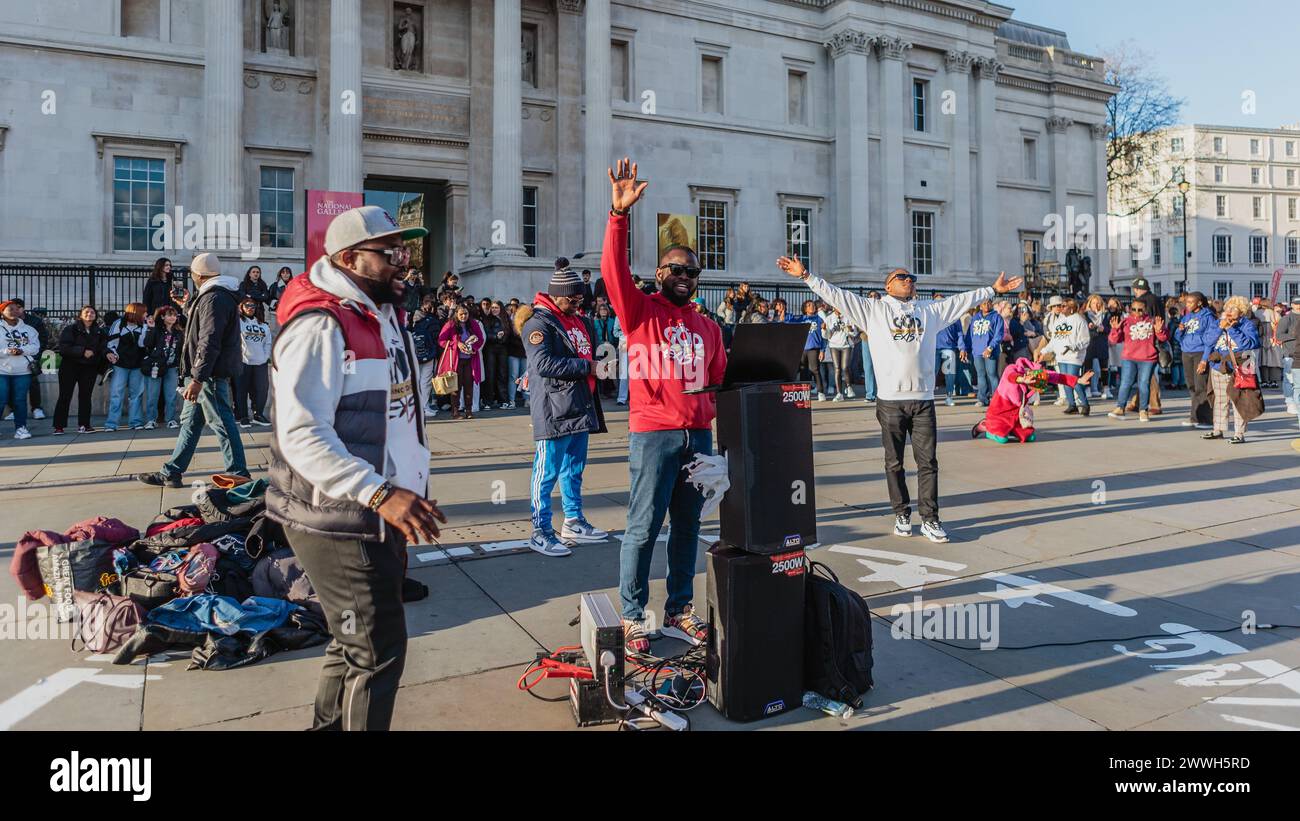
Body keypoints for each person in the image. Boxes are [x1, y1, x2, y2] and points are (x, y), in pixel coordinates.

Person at [266, 204, 446, 731]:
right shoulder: (322, 323)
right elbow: (300, 433)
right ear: (349, 258)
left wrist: (406, 488)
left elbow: (396, 416)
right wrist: (379, 493)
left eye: (405, 250)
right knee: (378, 650)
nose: (404, 261)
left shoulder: (381, 312)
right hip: (340, 516)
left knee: (353, 644)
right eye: (390, 252)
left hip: (374, 511)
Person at [777, 257, 1023, 544]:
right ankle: (902, 514)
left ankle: (930, 519)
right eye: (903, 277)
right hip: (891, 401)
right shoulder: (873, 309)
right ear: (888, 285)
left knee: (927, 462)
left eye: (912, 278)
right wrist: (806, 275)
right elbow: (836, 294)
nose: (910, 280)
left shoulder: (929, 310)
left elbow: (960, 301)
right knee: (894, 463)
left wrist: (992, 290)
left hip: (922, 400)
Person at [604, 157, 727, 652]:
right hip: (654, 432)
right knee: (643, 526)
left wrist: (717, 414)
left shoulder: (709, 327)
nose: (686, 277)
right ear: (660, 273)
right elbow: (613, 272)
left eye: (693, 272)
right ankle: (633, 615)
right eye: (677, 269)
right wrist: (619, 217)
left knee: (688, 528)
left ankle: (679, 609)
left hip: (698, 436)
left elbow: (720, 381)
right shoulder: (639, 312)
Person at [515, 268, 609, 556]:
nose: (578, 303)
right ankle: (540, 530)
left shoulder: (578, 321)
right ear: (558, 297)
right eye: (573, 299)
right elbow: (544, 364)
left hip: (580, 404)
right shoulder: (538, 323)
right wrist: (588, 367)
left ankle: (573, 520)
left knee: (574, 469)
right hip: (554, 409)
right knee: (547, 472)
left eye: (581, 298)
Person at [136, 253, 249, 487]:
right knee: (190, 422)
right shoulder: (214, 296)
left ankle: (239, 473)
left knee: (222, 422)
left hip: (208, 374)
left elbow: (209, 340)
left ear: (198, 274)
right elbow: (204, 330)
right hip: (205, 373)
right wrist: (187, 305)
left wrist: (197, 378)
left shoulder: (214, 298)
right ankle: (172, 472)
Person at [1202, 295, 1261, 443]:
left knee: (1239, 400)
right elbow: (1207, 341)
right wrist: (1220, 328)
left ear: (1241, 311)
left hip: (1240, 367)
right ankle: (1218, 429)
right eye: (1228, 307)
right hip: (1218, 367)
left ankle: (1239, 433)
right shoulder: (1218, 323)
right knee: (1220, 400)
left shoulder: (1247, 325)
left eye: (1233, 308)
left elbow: (1249, 344)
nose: (1229, 311)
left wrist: (1231, 329)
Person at [1107, 299, 1169, 422]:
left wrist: (1159, 330)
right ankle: (1120, 407)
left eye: (1140, 310)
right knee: (1125, 383)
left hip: (1148, 358)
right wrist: (1115, 330)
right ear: (1130, 309)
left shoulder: (1152, 321)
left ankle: (1143, 410)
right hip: (1129, 358)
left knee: (1144, 384)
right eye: (1133, 309)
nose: (1136, 312)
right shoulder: (1125, 321)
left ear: (1145, 310)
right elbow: (1114, 340)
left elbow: (1164, 338)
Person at [53, 305, 106, 434]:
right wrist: (82, 351)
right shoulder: (71, 329)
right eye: (86, 312)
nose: (89, 314)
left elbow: (102, 348)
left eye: (92, 312)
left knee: (85, 396)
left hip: (89, 367)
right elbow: (64, 348)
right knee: (65, 396)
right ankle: (59, 426)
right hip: (70, 367)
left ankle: (84, 425)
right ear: (81, 315)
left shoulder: (99, 331)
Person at [0, 298, 48, 423]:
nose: (14, 311)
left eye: (17, 308)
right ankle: (11, 411)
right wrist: (7, 351)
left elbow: (38, 344)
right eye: (10, 309)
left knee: (22, 397)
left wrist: (25, 353)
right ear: (2, 312)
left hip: (24, 367)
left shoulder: (31, 326)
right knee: (2, 397)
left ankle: (24, 423)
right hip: (3, 370)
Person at [103, 302, 149, 432]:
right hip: (120, 365)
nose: (146, 314)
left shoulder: (144, 325)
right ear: (136, 312)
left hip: (137, 365)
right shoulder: (119, 323)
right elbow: (111, 343)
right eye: (144, 312)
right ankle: (111, 424)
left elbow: (143, 344)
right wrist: (113, 355)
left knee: (136, 394)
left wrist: (146, 327)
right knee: (116, 394)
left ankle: (135, 422)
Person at [1042, 298, 1091, 415]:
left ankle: (1085, 404)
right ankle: (1072, 404)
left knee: (1073, 380)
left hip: (1074, 356)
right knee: (1065, 381)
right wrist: (1044, 351)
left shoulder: (1079, 320)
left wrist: (1073, 346)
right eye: (1060, 305)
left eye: (1064, 306)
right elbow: (1054, 340)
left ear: (1072, 308)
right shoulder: (1059, 321)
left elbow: (1085, 340)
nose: (1061, 308)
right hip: (1061, 356)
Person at [1175, 292, 1216, 429]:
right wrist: (1179, 331)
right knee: (1192, 386)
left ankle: (1206, 419)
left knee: (1201, 386)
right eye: (1186, 302)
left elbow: (1211, 338)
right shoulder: (1186, 317)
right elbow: (1177, 337)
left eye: (1190, 302)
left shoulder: (1208, 317)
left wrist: (1205, 359)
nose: (1187, 305)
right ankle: (1195, 416)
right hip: (1187, 352)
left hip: (1200, 352)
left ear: (1199, 303)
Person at [436, 305, 484, 420]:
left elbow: (480, 339)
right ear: (456, 314)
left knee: (469, 385)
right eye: (461, 314)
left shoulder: (473, 324)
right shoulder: (450, 324)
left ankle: (468, 410)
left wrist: (473, 348)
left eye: (465, 314)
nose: (463, 316)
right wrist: (456, 344)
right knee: (455, 386)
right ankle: (455, 411)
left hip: (470, 360)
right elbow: (441, 341)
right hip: (455, 361)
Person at [141, 305, 183, 429]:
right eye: (170, 315)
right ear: (163, 316)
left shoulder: (179, 331)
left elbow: (181, 350)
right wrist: (151, 329)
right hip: (156, 366)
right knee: (153, 395)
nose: (173, 318)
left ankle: (170, 419)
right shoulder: (157, 329)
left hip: (172, 366)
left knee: (171, 395)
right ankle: (151, 420)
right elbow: (147, 344)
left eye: (175, 315)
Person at [234, 297, 273, 427]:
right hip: (243, 362)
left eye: (253, 306)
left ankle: (258, 414)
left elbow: (268, 343)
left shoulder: (263, 325)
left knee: (262, 390)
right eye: (247, 306)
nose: (250, 308)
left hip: (260, 362)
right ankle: (243, 416)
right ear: (242, 307)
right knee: (241, 390)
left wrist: (265, 356)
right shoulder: (238, 322)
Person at [1127, 277, 1163, 414]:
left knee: (1149, 374)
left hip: (1147, 340)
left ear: (1137, 289)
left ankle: (1154, 404)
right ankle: (1137, 401)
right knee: (1143, 374)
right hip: (1153, 338)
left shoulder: (1143, 302)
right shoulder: (1154, 299)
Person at [961, 298, 1004, 407]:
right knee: (980, 375)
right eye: (984, 303)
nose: (986, 305)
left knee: (992, 375)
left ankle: (996, 399)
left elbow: (998, 335)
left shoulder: (997, 317)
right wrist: (965, 349)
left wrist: (990, 348)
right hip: (977, 352)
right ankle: (982, 399)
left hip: (991, 351)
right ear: (980, 306)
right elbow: (969, 336)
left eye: (989, 302)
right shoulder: (975, 318)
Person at [409, 293, 442, 415]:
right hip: (429, 352)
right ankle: (423, 406)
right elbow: (436, 335)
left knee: (417, 379)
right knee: (425, 380)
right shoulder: (432, 318)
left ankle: (417, 405)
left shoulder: (413, 315)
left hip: (415, 351)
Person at [790, 299, 829, 400]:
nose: (812, 306)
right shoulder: (801, 319)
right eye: (809, 305)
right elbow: (788, 321)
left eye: (812, 305)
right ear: (805, 308)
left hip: (814, 348)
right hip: (802, 349)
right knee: (803, 370)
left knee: (815, 370)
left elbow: (824, 337)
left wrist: (822, 350)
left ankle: (821, 392)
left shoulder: (819, 319)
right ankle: (804, 393)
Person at [480, 299, 509, 409]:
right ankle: (488, 401)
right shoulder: (487, 319)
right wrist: (496, 336)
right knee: (490, 375)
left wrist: (503, 337)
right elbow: (485, 334)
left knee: (503, 375)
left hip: (503, 349)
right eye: (492, 307)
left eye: (496, 307)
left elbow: (509, 334)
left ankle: (503, 400)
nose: (494, 309)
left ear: (500, 308)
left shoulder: (505, 319)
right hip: (490, 349)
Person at [1083, 294, 1111, 400]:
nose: (1096, 305)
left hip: (1102, 342)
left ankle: (1106, 389)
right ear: (1090, 304)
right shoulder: (1085, 315)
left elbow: (1109, 329)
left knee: (1104, 367)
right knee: (1088, 367)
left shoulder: (1106, 315)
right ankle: (1087, 389)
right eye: (1094, 303)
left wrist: (1104, 329)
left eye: (1098, 303)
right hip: (1089, 343)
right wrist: (1090, 328)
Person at [825, 308, 857, 402]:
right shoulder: (829, 318)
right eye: (835, 306)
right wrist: (824, 329)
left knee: (845, 367)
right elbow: (826, 336)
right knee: (837, 368)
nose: (838, 308)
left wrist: (851, 330)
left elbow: (854, 333)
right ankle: (839, 393)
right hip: (834, 345)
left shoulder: (848, 317)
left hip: (846, 345)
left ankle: (849, 386)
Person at [1278, 296, 1300, 422]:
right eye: (1296, 304)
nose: (1298, 306)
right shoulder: (1286, 319)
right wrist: (1295, 334)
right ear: (1292, 304)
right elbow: (1279, 335)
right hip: (1290, 353)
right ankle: (1290, 401)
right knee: (1289, 379)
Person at [504, 300, 527, 409]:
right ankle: (511, 400)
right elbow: (510, 337)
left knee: (525, 377)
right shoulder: (512, 321)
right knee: (513, 376)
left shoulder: (529, 322)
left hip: (525, 353)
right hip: (513, 352)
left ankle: (527, 399)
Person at [859, 292, 880, 403]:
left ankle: (881, 393)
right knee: (868, 367)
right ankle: (870, 394)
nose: (873, 297)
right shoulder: (864, 310)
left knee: (882, 367)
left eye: (875, 296)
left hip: (881, 340)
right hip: (867, 339)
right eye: (870, 296)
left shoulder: (883, 309)